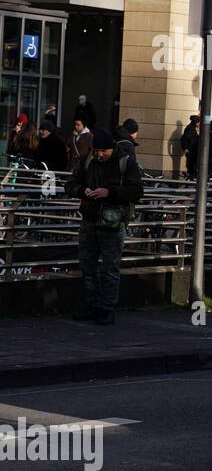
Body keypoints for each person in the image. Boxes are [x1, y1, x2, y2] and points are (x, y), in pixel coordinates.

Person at [65, 128, 143, 325]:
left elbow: (136, 191)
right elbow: (70, 185)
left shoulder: (126, 162)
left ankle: (107, 308)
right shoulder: (87, 160)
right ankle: (91, 304)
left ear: (112, 148)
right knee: (87, 266)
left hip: (113, 222)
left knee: (110, 267)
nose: (99, 155)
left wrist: (110, 192)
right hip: (90, 219)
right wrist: (83, 190)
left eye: (103, 151)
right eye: (96, 151)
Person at [180, 114, 202, 179]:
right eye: (198, 122)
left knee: (192, 165)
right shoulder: (190, 129)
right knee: (192, 166)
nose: (199, 124)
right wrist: (186, 148)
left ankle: (191, 177)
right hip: (191, 150)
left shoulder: (192, 128)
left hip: (192, 150)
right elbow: (184, 139)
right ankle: (191, 179)